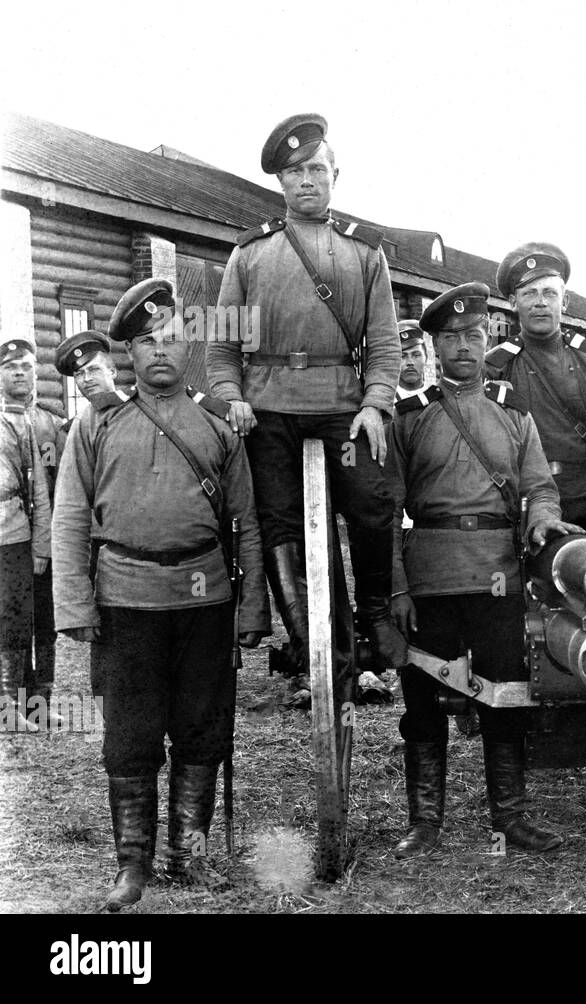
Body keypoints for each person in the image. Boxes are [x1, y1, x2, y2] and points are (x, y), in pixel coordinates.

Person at [53, 278, 268, 911]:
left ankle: (189, 855)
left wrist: (251, 605)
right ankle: (132, 867)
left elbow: (247, 522)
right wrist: (74, 605)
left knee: (203, 728)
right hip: (126, 600)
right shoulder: (96, 425)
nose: (161, 351)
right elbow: (69, 518)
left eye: (172, 337)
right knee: (130, 733)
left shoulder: (217, 424)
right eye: (147, 342)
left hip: (206, 599)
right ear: (129, 354)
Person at [207, 113, 405, 684]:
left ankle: (372, 613)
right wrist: (230, 396)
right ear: (281, 182)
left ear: (335, 175)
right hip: (269, 410)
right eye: (295, 172)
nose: (307, 180)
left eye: (317, 168)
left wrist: (375, 404)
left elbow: (385, 343)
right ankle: (310, 639)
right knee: (278, 525)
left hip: (342, 405)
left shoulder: (365, 253)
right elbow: (221, 350)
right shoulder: (249, 255)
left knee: (370, 504)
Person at [388, 282, 582, 854]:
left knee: (507, 694)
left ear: (487, 337)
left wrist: (543, 521)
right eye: (451, 337)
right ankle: (424, 823)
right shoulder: (407, 418)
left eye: (474, 335)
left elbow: (542, 488)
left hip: (499, 574)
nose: (464, 347)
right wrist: (397, 588)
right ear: (435, 346)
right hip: (430, 576)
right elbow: (383, 512)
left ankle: (511, 818)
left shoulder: (514, 415)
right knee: (422, 702)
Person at [487, 242, 586, 544]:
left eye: (550, 293)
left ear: (565, 301)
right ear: (512, 302)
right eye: (529, 293)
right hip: (526, 504)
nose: (540, 303)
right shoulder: (496, 367)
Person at [0, 337, 63, 727]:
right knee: (13, 617)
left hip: (48, 529)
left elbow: (54, 481)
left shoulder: (49, 421)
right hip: (9, 533)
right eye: (10, 367)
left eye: (25, 365)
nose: (19, 372)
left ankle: (40, 703)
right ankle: (9, 705)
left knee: (46, 619)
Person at [396, 320, 433, 399]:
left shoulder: (437, 396)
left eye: (416, 355)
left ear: (426, 357)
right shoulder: (386, 400)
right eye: (402, 356)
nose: (410, 362)